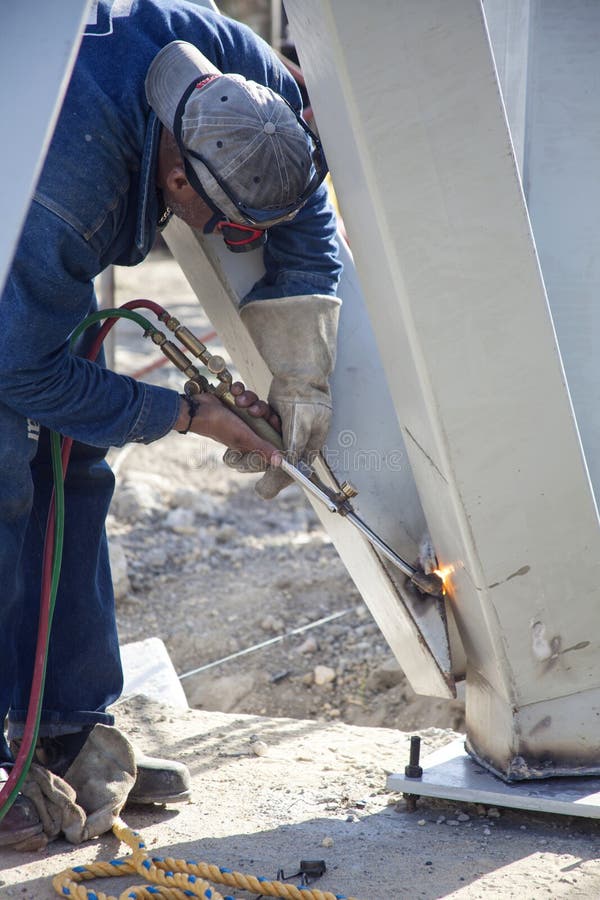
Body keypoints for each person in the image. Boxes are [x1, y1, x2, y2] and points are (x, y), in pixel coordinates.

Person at [0, 0, 341, 848]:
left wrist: (299, 369)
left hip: (45, 228)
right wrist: (189, 414)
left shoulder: (242, 76)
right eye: (229, 229)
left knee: (78, 465)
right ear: (178, 178)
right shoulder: (68, 195)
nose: (237, 241)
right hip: (16, 228)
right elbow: (20, 368)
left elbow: (300, 207)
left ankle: (70, 728)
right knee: (3, 479)